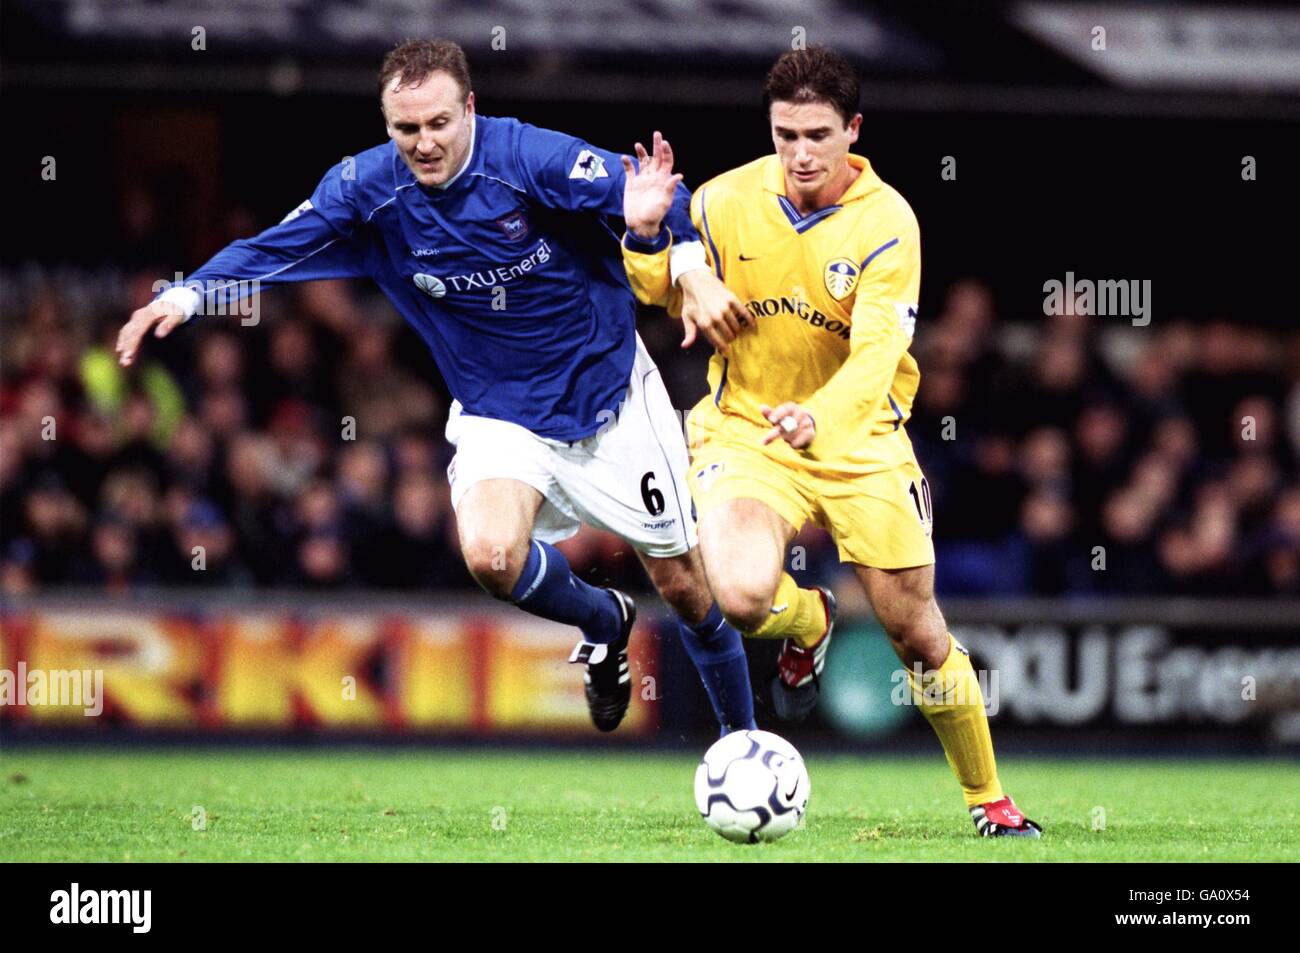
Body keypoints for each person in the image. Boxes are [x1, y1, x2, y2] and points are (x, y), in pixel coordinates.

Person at [116, 38, 755, 737]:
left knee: (687, 589)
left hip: (610, 397)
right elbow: (275, 246)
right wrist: (183, 298)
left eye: (439, 123)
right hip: (499, 412)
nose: (424, 143)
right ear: (388, 125)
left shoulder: (528, 159)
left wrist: (688, 269)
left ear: (471, 109)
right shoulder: (367, 188)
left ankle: (741, 742)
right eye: (407, 128)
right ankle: (605, 622)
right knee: (490, 555)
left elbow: (660, 192)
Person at [620, 46, 1041, 836]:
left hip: (860, 436)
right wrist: (646, 237)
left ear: (853, 128)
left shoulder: (889, 223)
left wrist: (822, 415)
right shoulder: (722, 200)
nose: (800, 153)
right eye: (784, 135)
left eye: (817, 134)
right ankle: (808, 621)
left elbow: (877, 354)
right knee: (740, 596)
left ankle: (989, 799)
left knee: (916, 632)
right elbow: (655, 289)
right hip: (747, 426)